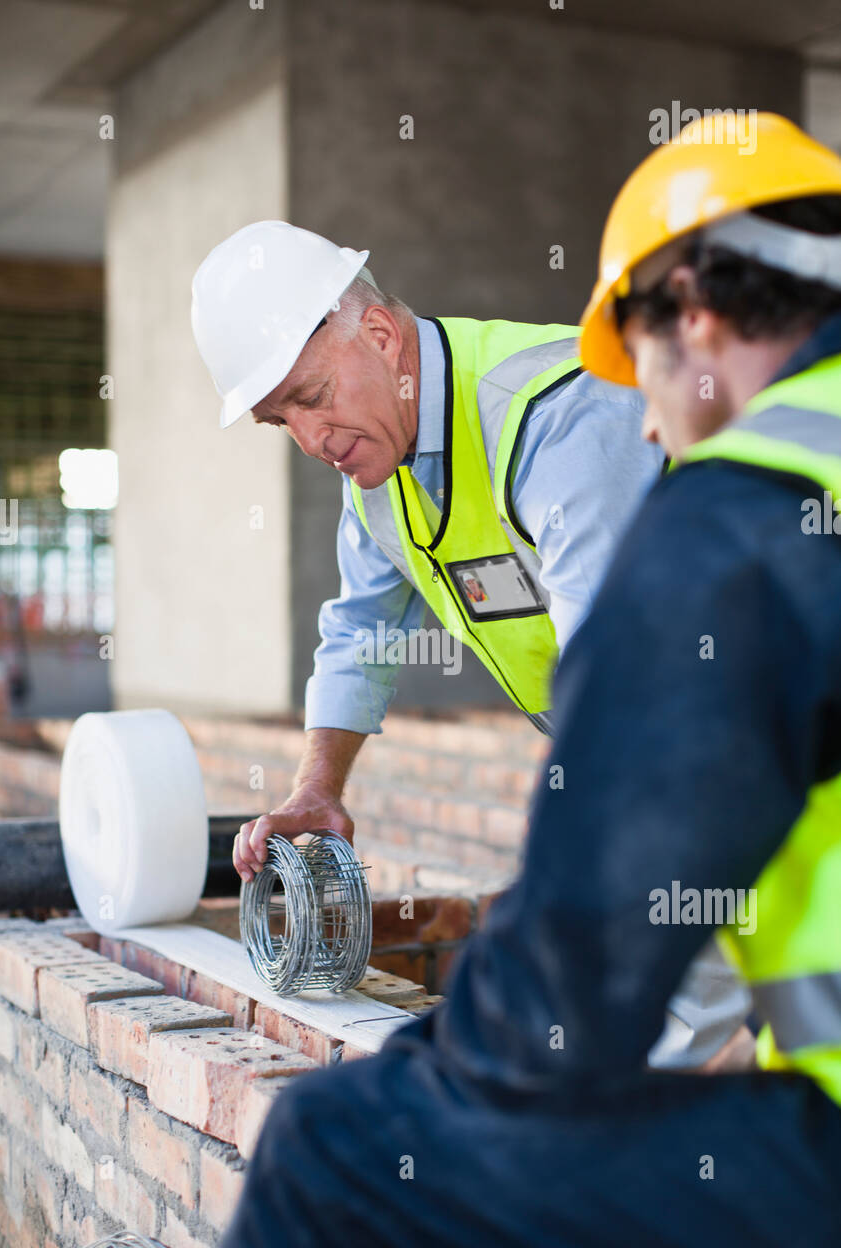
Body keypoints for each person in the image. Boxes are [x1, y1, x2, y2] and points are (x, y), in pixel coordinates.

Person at [192, 221, 749, 1071]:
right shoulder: (379, 480)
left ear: (377, 335)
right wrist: (317, 789)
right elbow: (360, 631)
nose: (311, 439)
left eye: (310, 396)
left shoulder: (560, 417)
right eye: (281, 423)